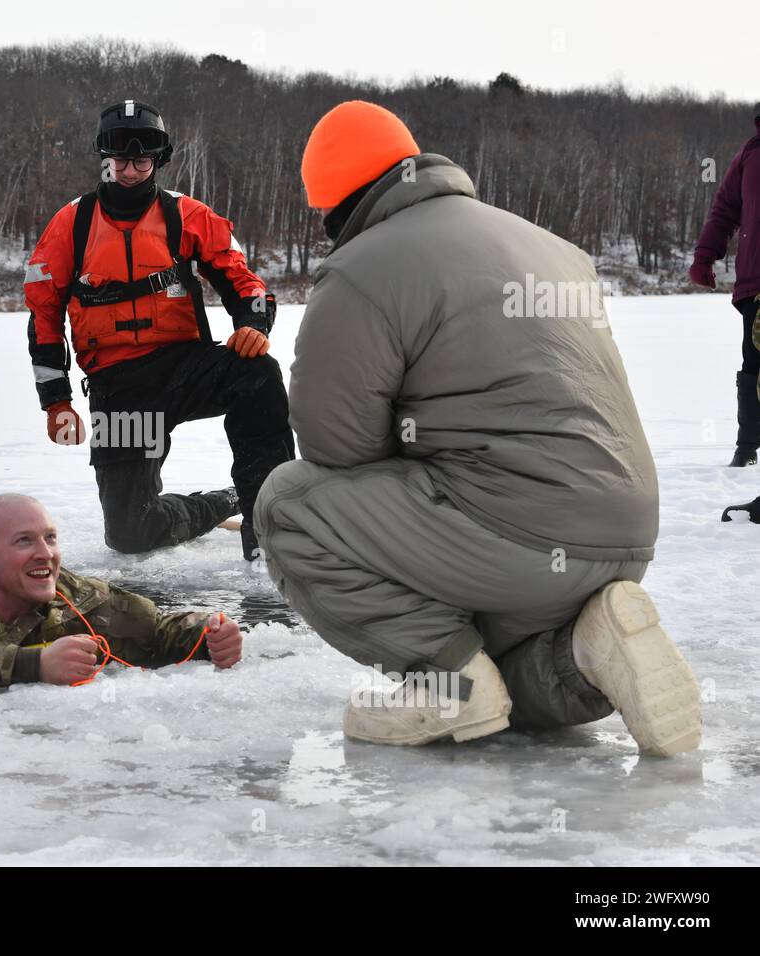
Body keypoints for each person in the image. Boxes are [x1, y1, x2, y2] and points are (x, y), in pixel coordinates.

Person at [252, 101, 701, 756]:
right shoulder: (548, 246)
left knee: (288, 506)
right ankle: (587, 651)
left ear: (333, 205)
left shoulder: (363, 268)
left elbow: (333, 448)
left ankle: (445, 685)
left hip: (509, 528)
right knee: (497, 666)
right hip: (621, 537)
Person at [24, 99, 294, 560]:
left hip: (185, 371)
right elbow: (44, 316)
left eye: (142, 160)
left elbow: (245, 283)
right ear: (105, 157)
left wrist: (253, 324)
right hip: (121, 388)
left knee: (258, 372)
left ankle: (272, 527)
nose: (132, 170)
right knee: (131, 534)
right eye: (123, 159)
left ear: (158, 161)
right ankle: (219, 503)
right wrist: (56, 401)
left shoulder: (187, 216)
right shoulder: (71, 224)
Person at [0, 494, 243, 692]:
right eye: (25, 540)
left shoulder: (84, 599)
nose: (45, 553)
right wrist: (35, 666)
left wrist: (207, 632)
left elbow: (159, 630)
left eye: (50, 538)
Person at [691, 102, 760, 467]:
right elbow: (725, 210)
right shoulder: (751, 154)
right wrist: (705, 255)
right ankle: (747, 448)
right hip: (756, 283)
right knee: (754, 366)